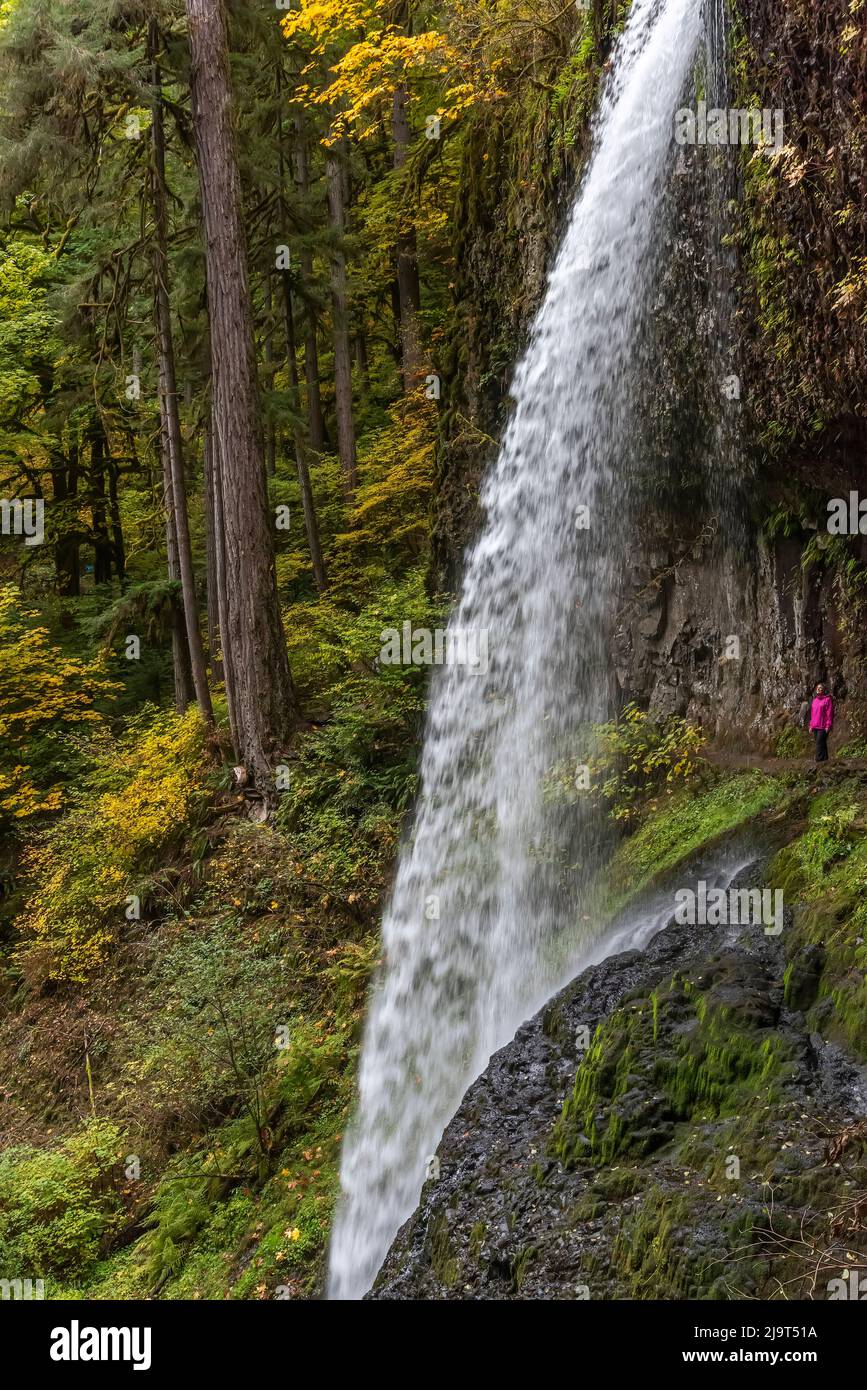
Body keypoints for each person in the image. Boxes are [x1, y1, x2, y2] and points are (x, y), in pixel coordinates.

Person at [809, 683, 834, 762]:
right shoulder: (814, 700)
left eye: (821, 688)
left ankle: (818, 760)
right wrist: (811, 725)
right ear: (816, 690)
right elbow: (812, 714)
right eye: (818, 688)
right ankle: (825, 759)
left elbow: (829, 713)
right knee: (822, 743)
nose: (819, 689)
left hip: (823, 726)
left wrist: (828, 725)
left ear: (824, 690)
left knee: (819, 744)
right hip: (815, 726)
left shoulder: (827, 699)